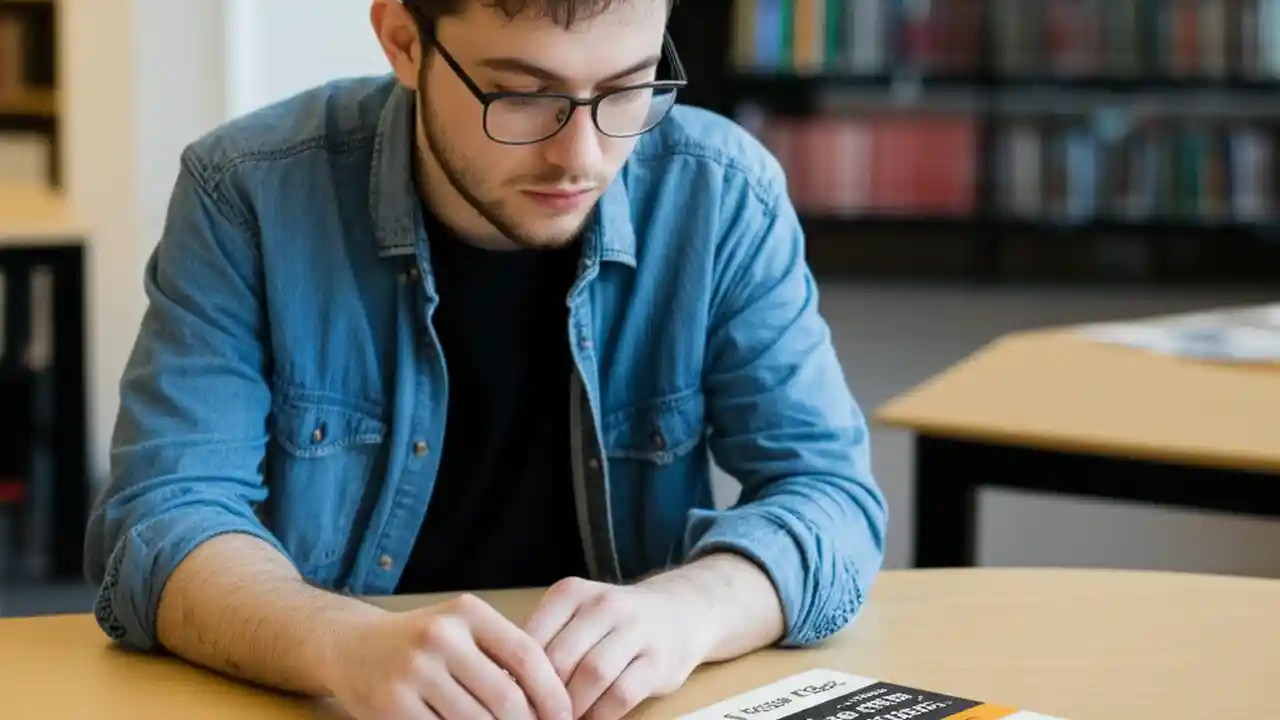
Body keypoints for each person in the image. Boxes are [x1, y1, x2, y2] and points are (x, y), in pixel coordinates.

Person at [85, 0, 888, 718]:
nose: (583, 155)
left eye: (628, 86)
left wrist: (689, 611)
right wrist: (340, 643)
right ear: (404, 42)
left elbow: (830, 495)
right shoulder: (248, 195)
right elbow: (164, 519)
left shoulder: (722, 193)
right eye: (525, 93)